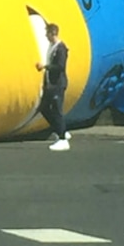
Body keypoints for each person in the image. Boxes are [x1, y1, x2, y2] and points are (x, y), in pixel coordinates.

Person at [35, 23, 71, 151]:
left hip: (58, 84)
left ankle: (62, 139)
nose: (45, 36)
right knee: (44, 108)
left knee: (57, 109)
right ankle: (60, 129)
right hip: (50, 84)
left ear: (52, 33)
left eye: (47, 33)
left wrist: (45, 66)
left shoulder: (61, 48)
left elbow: (60, 67)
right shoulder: (51, 46)